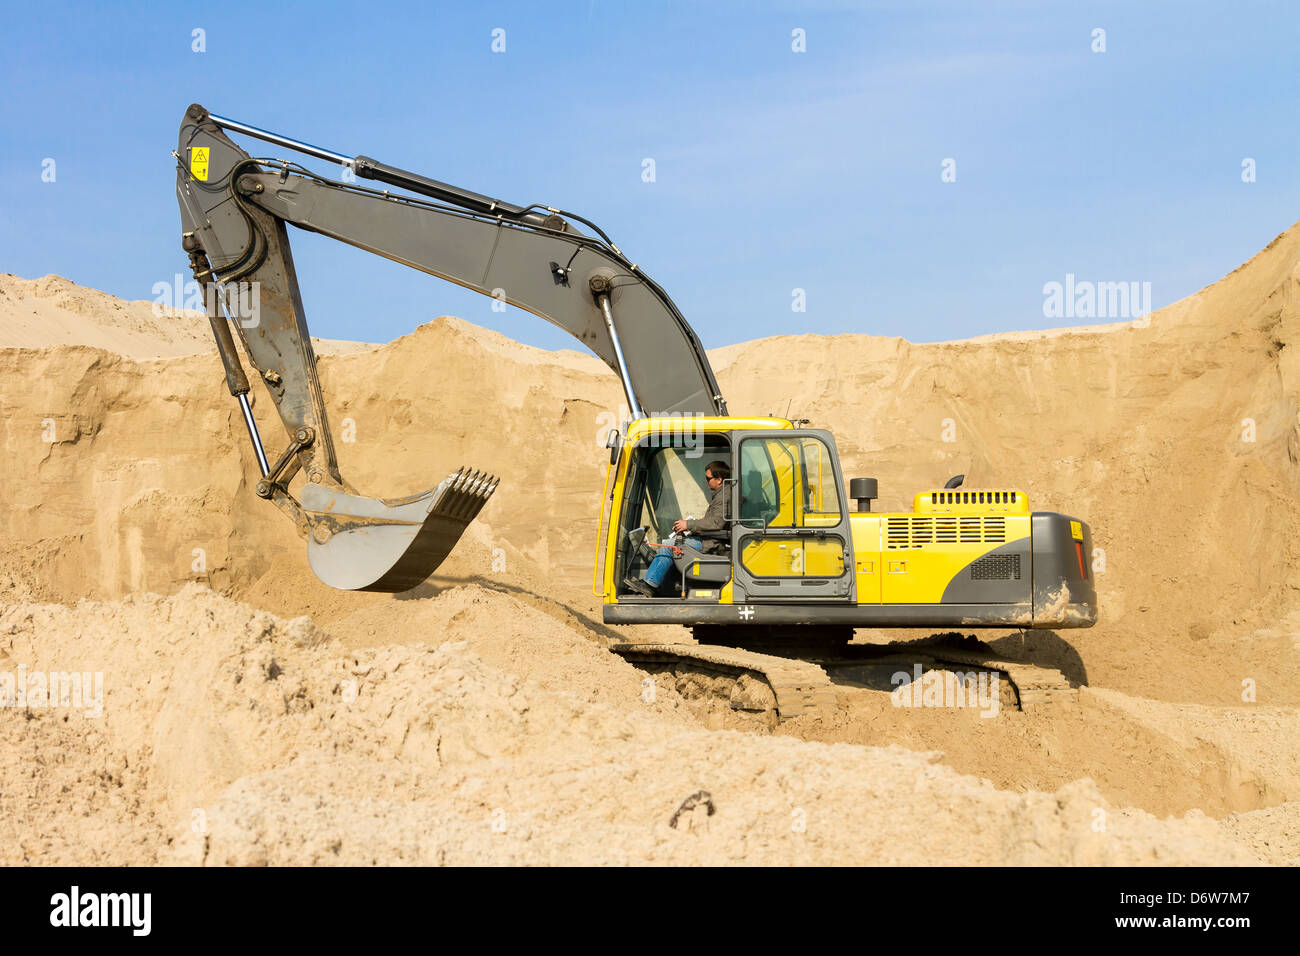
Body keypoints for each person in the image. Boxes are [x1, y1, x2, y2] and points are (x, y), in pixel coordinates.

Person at [625, 459, 731, 596]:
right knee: (670, 543)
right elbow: (714, 521)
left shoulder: (724, 497)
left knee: (671, 546)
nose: (706, 481)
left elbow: (716, 523)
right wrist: (694, 525)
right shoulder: (722, 494)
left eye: (708, 478)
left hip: (712, 543)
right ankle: (657, 579)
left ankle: (649, 585)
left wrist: (688, 525)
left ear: (719, 480)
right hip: (709, 538)